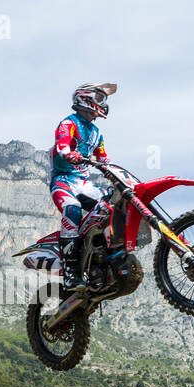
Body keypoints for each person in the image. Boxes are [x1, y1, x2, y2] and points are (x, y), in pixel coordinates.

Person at [49, 82, 117, 291]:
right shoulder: (68, 124)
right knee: (72, 209)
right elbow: (62, 147)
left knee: (113, 203)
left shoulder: (97, 133)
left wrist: (111, 172)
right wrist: (69, 153)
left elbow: (104, 160)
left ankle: (103, 257)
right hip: (63, 182)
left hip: (84, 184)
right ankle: (70, 271)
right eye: (99, 98)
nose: (103, 104)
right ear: (84, 98)